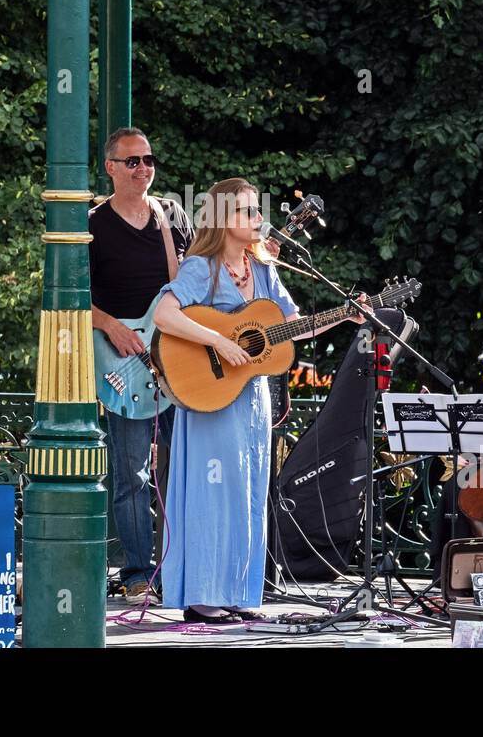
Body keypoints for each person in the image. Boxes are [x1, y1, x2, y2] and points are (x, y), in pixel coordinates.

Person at [151, 178, 367, 623]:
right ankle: (203, 595)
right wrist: (219, 340)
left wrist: (345, 314)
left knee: (248, 493)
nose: (258, 220)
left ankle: (237, 591)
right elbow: (164, 314)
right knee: (213, 494)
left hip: (251, 398)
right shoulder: (201, 267)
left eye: (257, 212)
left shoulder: (264, 271)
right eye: (249, 212)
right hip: (210, 396)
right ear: (223, 219)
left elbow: (292, 326)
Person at [88, 127, 193, 604]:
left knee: (189, 466)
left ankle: (189, 566)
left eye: (149, 159)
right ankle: (137, 571)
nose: (144, 168)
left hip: (177, 359)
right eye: (132, 161)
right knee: (132, 475)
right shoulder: (91, 223)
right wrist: (110, 326)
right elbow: (66, 300)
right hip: (121, 360)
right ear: (110, 167)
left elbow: (194, 283)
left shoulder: (171, 215)